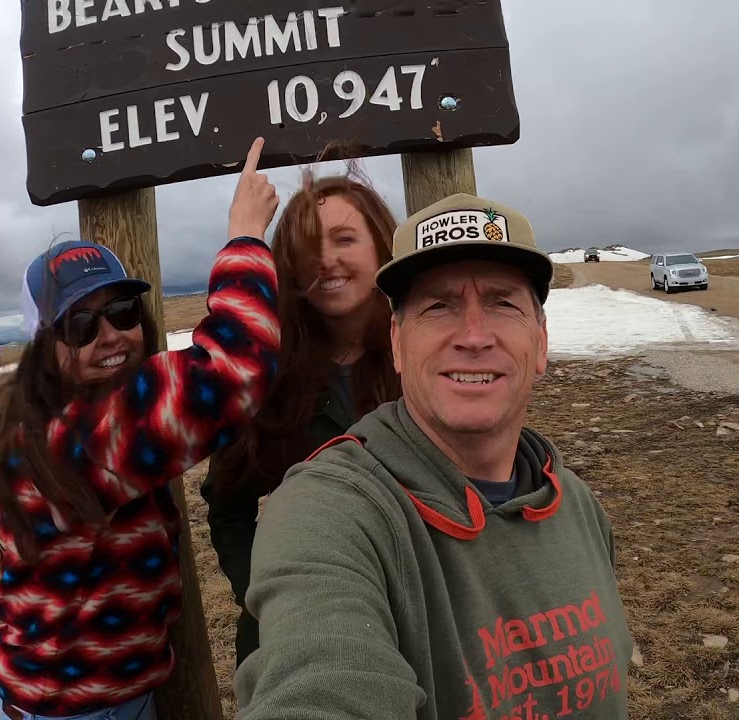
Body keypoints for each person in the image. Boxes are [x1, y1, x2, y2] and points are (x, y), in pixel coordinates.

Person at [235, 193, 634, 720]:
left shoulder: (576, 503)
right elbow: (322, 682)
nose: (473, 336)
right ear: (398, 343)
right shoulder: (331, 510)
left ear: (540, 342)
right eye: (438, 305)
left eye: (503, 303)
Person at [0, 138, 281, 720]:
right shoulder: (82, 435)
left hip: (73, 697)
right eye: (81, 325)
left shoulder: (49, 425)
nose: (110, 335)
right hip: (85, 710)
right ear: (45, 348)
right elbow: (236, 367)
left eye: (123, 312)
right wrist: (245, 234)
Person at [199, 172, 402, 669]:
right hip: (297, 645)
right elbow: (228, 508)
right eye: (309, 245)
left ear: (383, 246)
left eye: (345, 239)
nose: (325, 258)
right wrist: (268, 597)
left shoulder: (422, 358)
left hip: (417, 626)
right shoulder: (270, 374)